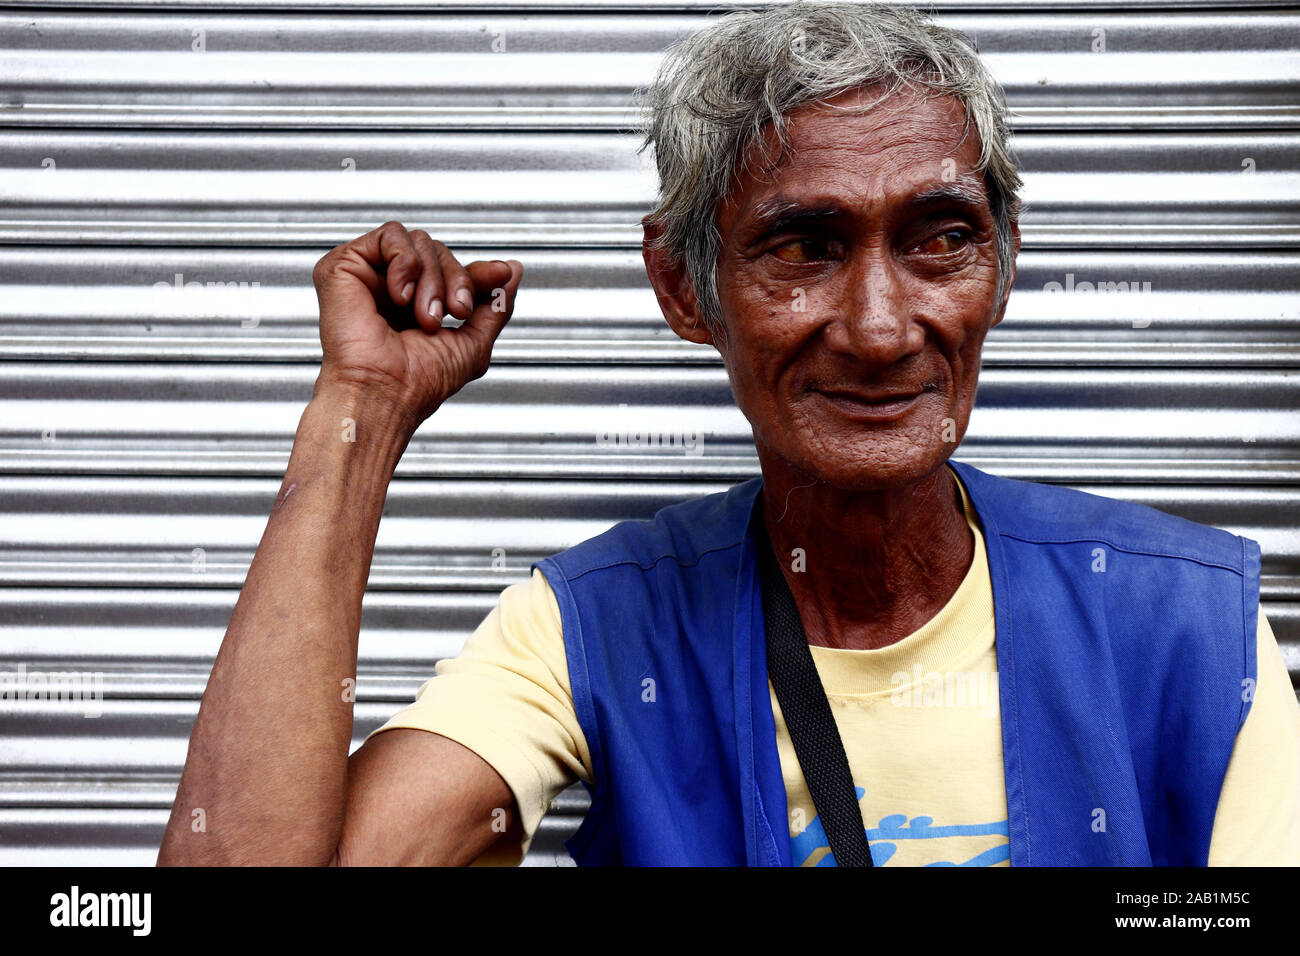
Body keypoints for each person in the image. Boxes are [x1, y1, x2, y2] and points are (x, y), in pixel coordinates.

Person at [157, 1, 1300, 867]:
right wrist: (358, 414)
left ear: (996, 268)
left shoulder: (1190, 624)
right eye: (803, 246)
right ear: (682, 286)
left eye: (939, 237)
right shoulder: (593, 628)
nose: (877, 326)